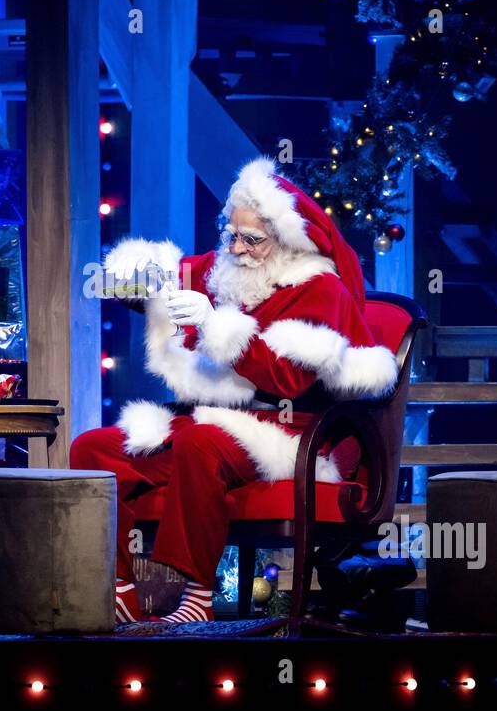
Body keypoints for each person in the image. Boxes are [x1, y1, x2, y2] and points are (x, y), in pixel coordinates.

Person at [70, 157, 399, 623]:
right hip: (206, 422)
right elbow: (158, 281)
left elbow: (289, 379)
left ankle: (198, 598)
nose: (238, 248)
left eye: (252, 239)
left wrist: (216, 326)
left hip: (286, 431)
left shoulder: (320, 289)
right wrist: (136, 276)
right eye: (231, 234)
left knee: (198, 442)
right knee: (94, 449)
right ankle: (120, 587)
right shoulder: (223, 268)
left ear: (284, 241)